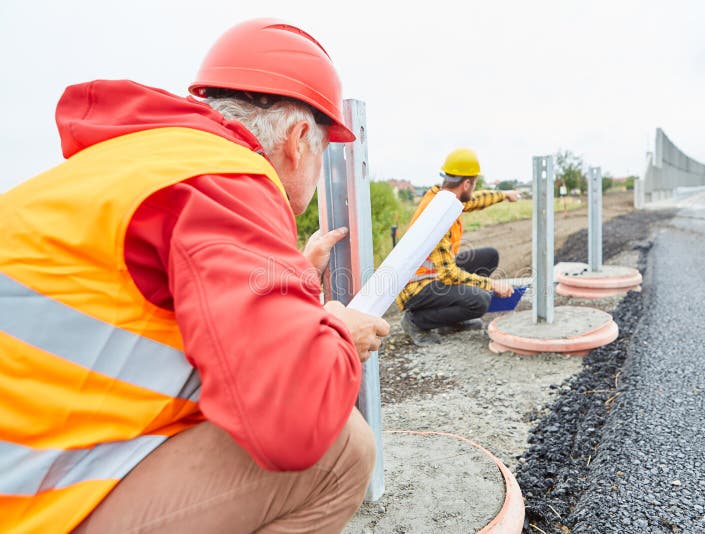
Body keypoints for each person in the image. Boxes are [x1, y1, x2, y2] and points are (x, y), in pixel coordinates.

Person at [0, 18, 390, 534]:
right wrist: (338, 329)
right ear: (299, 140)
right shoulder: (228, 180)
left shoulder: (145, 160)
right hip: (28, 507)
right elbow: (293, 421)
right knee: (341, 452)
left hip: (26, 461)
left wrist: (293, 290)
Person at [396, 148, 519, 346]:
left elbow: (474, 200)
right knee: (480, 300)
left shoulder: (445, 196)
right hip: (416, 287)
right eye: (474, 183)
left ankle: (450, 319)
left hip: (434, 273)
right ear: (467, 184)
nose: (474, 188)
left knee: (489, 256)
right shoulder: (437, 214)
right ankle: (416, 322)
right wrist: (491, 285)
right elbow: (448, 275)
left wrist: (504, 194)